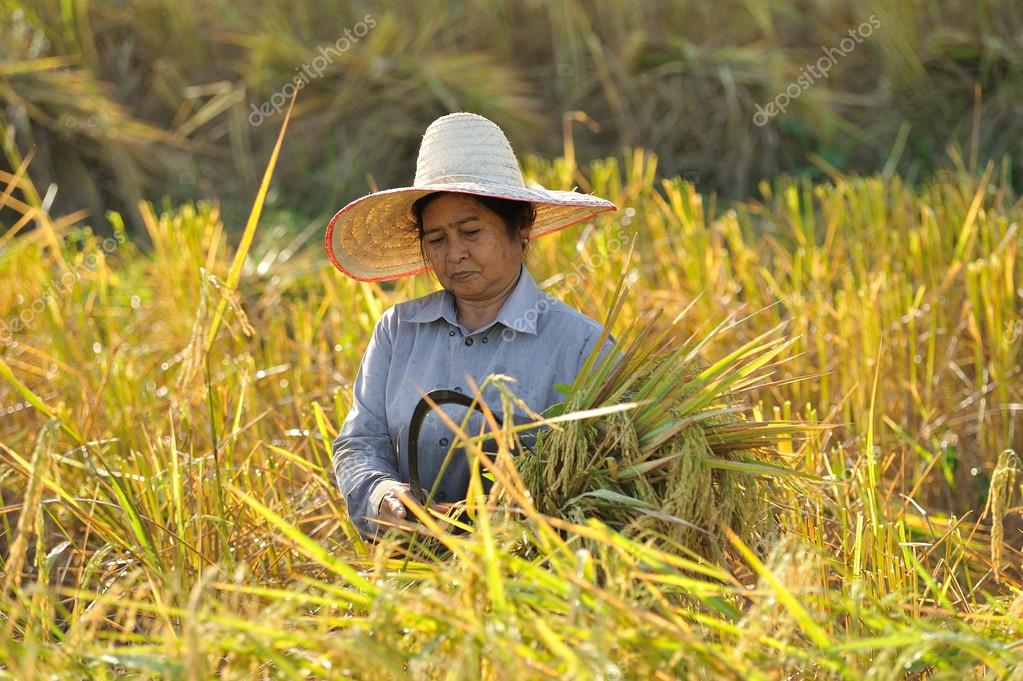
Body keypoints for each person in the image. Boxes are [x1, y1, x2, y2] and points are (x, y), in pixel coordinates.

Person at [326, 111, 620, 540]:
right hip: (412, 581)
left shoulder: (580, 346)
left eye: (471, 231)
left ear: (520, 227)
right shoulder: (398, 332)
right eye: (437, 239)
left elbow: (613, 475)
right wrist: (383, 495)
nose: (455, 253)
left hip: (536, 587)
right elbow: (360, 442)